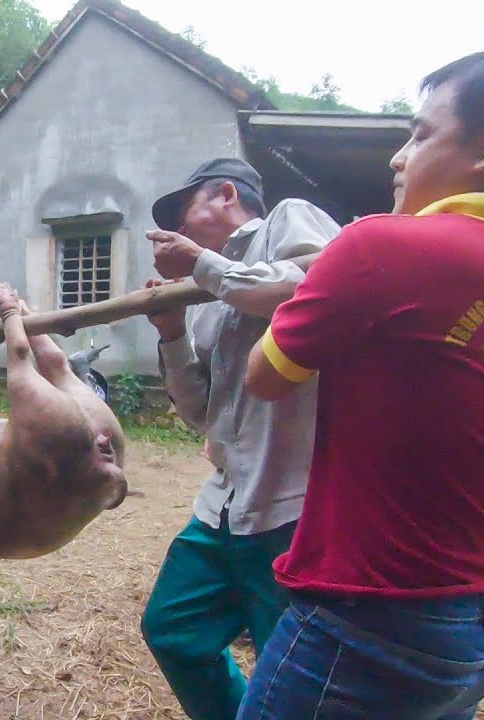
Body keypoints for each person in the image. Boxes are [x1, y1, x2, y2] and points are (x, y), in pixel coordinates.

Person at [242, 47, 484, 719]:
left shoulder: (381, 246)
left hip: (370, 622)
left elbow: (264, 377)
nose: (398, 157)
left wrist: (324, 285)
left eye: (421, 133)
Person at [137, 157, 340, 719]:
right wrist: (173, 331)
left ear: (227, 194)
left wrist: (200, 263)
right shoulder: (207, 298)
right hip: (225, 503)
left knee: (292, 673)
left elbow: (320, 289)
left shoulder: (287, 222)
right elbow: (202, 413)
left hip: (296, 505)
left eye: (182, 214)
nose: (172, 231)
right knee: (172, 629)